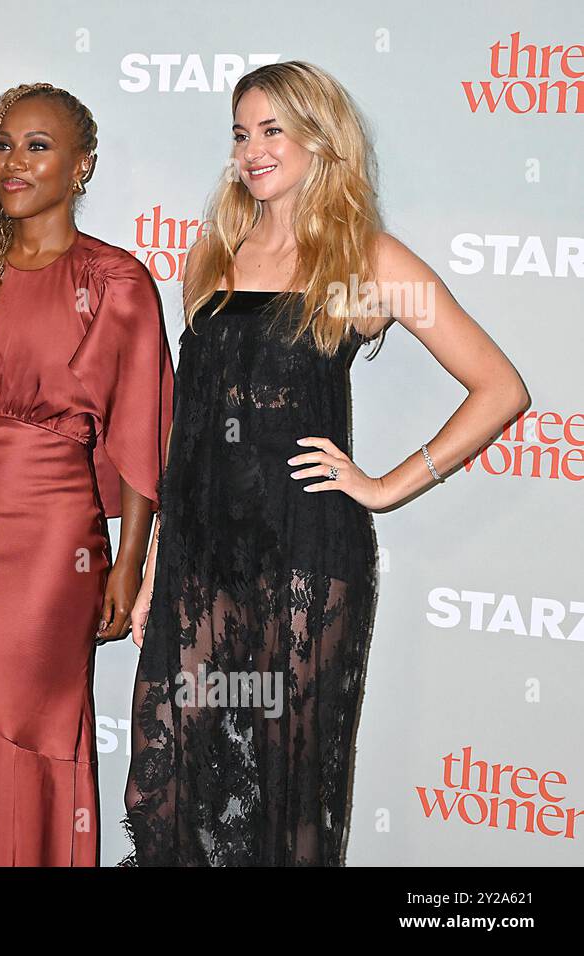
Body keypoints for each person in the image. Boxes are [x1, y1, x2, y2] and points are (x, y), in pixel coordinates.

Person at [122, 61, 530, 866]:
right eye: (241, 133)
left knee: (284, 796)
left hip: (305, 554)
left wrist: (383, 485)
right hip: (201, 561)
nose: (252, 150)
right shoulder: (213, 252)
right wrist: (153, 571)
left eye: (273, 130)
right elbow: (191, 431)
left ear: (320, 139)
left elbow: (500, 388)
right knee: (167, 789)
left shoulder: (366, 260)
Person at [0, 83, 175, 866]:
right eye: (3, 144)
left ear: (81, 165)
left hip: (56, 540)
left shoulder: (117, 281)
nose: (14, 162)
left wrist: (127, 565)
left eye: (38, 145)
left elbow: (140, 435)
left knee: (34, 717)